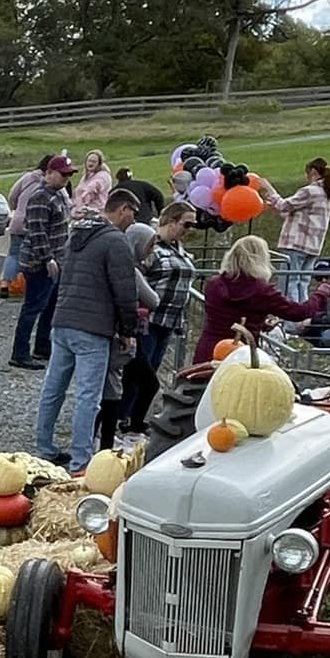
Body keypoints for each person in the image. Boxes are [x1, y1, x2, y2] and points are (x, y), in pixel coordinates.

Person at [34, 189, 140, 474]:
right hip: (93, 326)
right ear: (123, 209)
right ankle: (81, 461)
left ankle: (43, 445)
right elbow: (125, 290)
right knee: (88, 396)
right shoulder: (115, 241)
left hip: (63, 319)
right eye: (133, 213)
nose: (133, 221)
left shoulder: (76, 236)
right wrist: (128, 329)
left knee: (53, 387)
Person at [123, 199, 196, 423]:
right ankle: (123, 417)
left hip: (170, 320)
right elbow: (134, 276)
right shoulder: (150, 246)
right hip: (149, 319)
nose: (189, 230)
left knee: (151, 370)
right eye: (187, 224)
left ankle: (135, 417)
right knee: (138, 374)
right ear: (171, 221)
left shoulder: (179, 249)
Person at [192, 236, 314, 363]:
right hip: (242, 355)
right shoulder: (262, 291)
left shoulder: (213, 284)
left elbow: (227, 316)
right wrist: (320, 294)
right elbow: (298, 313)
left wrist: (258, 323)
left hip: (209, 352)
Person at [95, 223, 160, 451]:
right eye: (149, 245)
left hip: (116, 331)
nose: (151, 250)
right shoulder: (130, 270)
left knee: (114, 386)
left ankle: (104, 435)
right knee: (133, 385)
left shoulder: (112, 265)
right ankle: (115, 435)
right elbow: (152, 300)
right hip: (126, 334)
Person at [9, 154, 74, 369]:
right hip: (40, 262)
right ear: (49, 173)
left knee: (50, 306)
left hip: (56, 259)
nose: (66, 178)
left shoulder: (58, 195)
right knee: (33, 307)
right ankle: (20, 352)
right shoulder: (40, 197)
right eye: (62, 174)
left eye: (68, 175)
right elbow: (37, 231)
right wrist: (48, 259)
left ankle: (42, 347)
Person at [263, 159, 330, 296]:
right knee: (303, 282)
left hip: (295, 244)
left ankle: (291, 315)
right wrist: (277, 208)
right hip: (313, 246)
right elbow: (298, 215)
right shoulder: (327, 194)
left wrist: (269, 189)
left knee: (289, 282)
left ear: (313, 173)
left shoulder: (310, 191)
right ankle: (303, 314)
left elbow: (285, 205)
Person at [0, 156, 51, 293]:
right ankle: (29, 285)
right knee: (36, 254)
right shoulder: (50, 182)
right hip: (36, 222)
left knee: (13, 253)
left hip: (18, 221)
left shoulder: (27, 177)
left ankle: (6, 282)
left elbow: (12, 195)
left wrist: (16, 209)